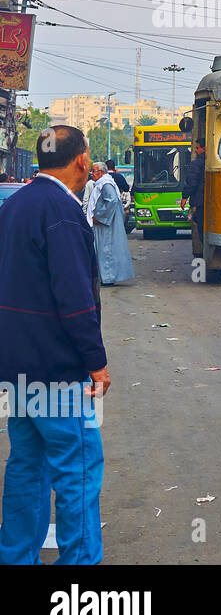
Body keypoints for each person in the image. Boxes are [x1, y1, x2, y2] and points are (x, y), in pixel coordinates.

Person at [0, 126, 110, 565]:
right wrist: (97, 364)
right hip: (58, 375)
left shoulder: (15, 206)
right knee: (78, 474)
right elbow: (75, 299)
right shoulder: (62, 212)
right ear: (82, 160)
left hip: (16, 372)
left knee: (26, 467)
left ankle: (15, 558)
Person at [88, 163, 134, 286]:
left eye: (94, 171)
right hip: (103, 223)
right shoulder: (102, 183)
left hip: (105, 225)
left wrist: (99, 217)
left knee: (106, 250)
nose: (91, 173)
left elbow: (112, 200)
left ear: (101, 172)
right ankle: (105, 277)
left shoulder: (106, 184)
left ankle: (107, 278)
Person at [181, 136, 206, 259]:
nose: (196, 150)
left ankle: (205, 253)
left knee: (201, 227)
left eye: (197, 148)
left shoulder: (197, 163)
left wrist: (185, 197)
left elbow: (191, 182)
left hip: (200, 202)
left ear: (204, 148)